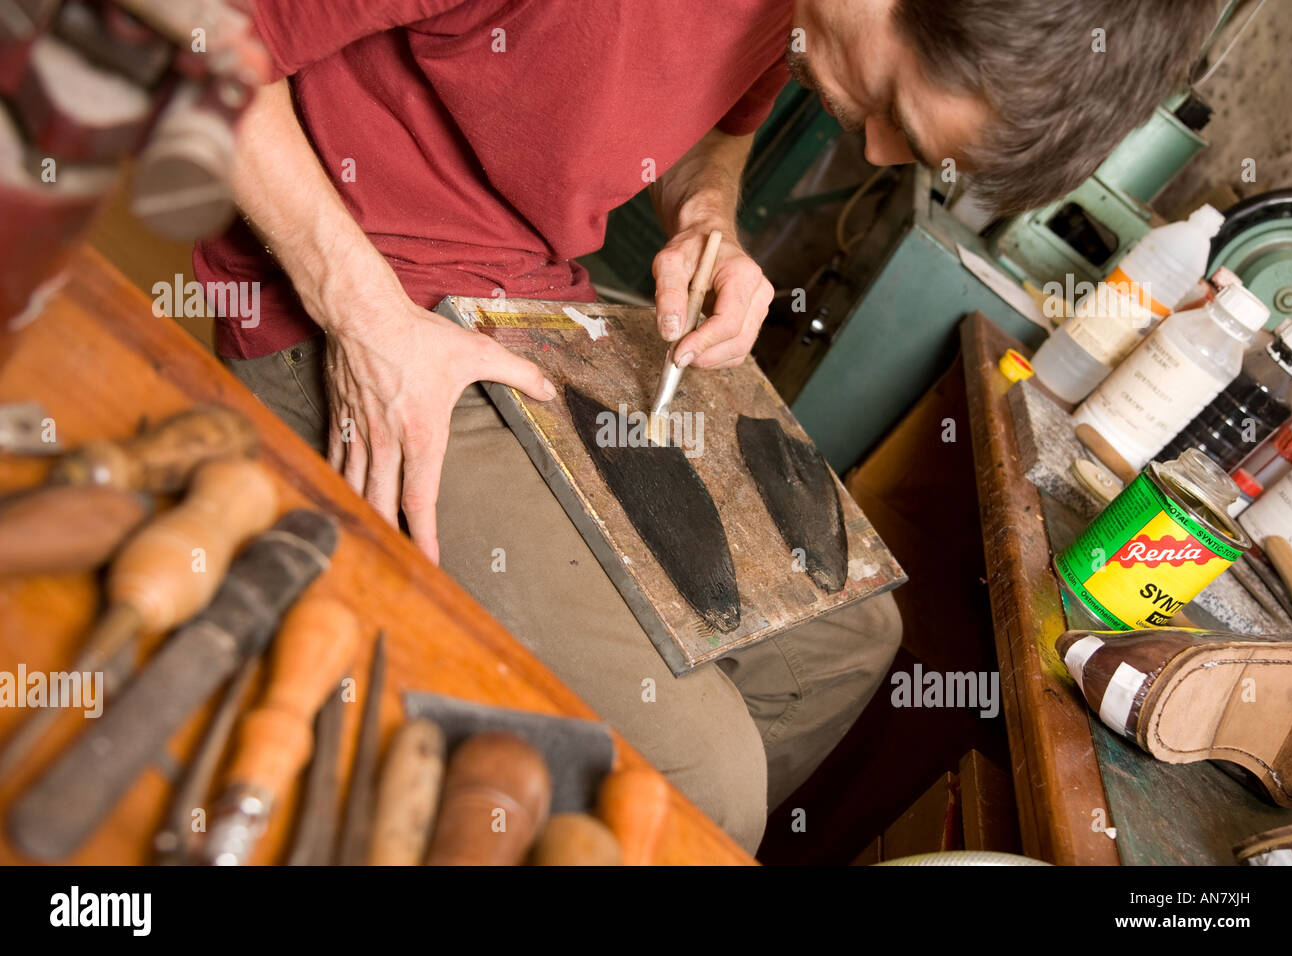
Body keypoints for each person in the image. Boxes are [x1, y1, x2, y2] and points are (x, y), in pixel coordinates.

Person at [198, 0, 1217, 851]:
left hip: (529, 304)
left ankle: (509, 811)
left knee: (849, 638)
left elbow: (719, 128)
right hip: (346, 297)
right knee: (704, 775)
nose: (871, 149)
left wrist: (706, 220)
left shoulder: (806, 19)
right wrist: (365, 319)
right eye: (896, 111)